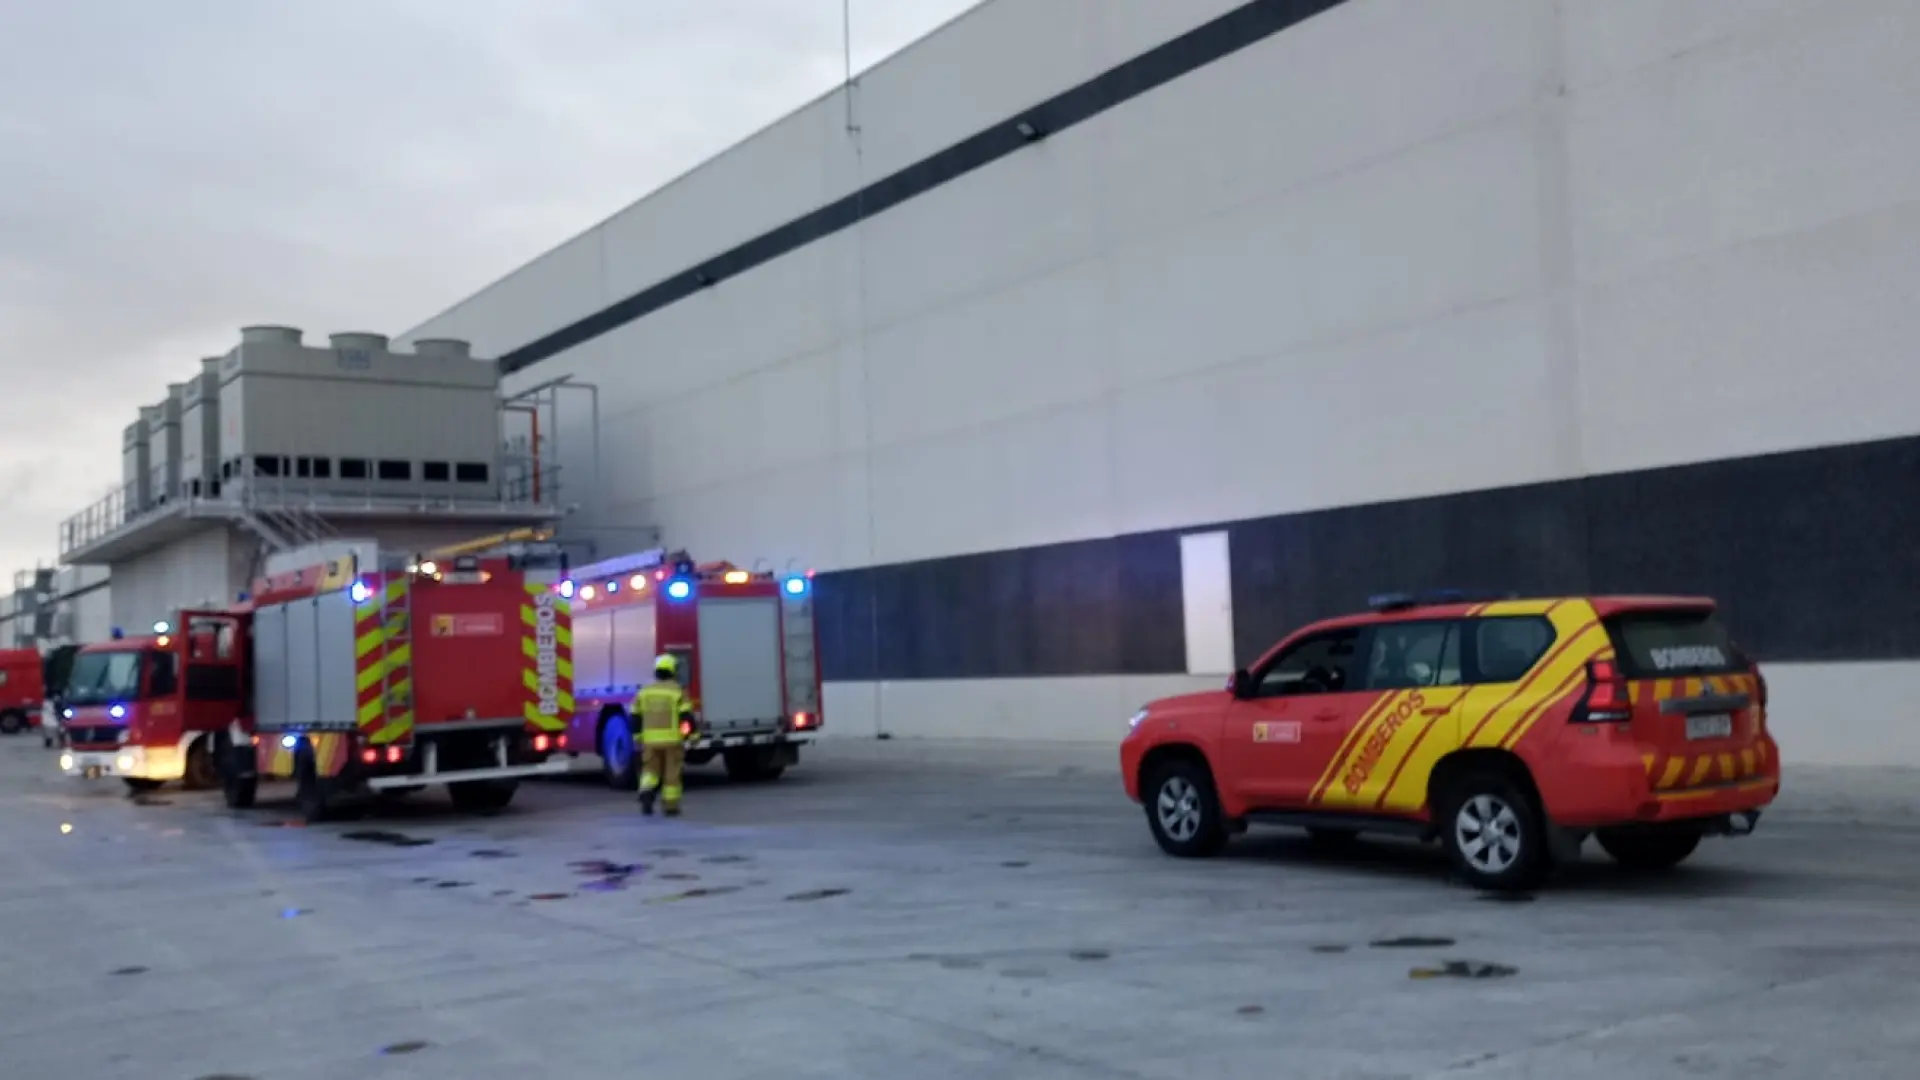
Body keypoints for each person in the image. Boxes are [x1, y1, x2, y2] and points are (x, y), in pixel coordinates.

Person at [630, 654, 695, 816]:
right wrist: (691, 735)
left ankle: (646, 791)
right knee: (671, 774)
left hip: (650, 741)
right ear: (672, 671)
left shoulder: (644, 692)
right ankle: (670, 807)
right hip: (672, 741)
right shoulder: (677, 691)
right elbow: (686, 717)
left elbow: (635, 715)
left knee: (650, 770)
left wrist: (637, 735)